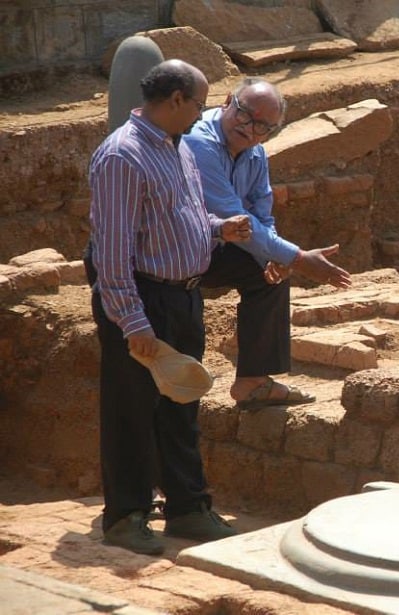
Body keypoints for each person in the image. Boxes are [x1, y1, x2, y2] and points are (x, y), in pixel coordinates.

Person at [88, 60, 251, 555]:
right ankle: (126, 515)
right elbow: (111, 254)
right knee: (131, 410)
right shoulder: (122, 157)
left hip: (183, 294)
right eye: (200, 103)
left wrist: (219, 228)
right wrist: (133, 323)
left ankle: (186, 508)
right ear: (177, 99)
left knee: (181, 404)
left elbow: (182, 215)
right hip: (141, 299)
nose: (203, 114)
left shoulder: (176, 148)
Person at [185, 77, 351, 410]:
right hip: (177, 249)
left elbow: (262, 213)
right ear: (228, 101)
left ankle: (253, 383)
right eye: (245, 115)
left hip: (221, 243)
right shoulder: (199, 143)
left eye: (262, 126)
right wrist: (300, 258)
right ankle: (184, 382)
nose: (249, 129)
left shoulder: (255, 154)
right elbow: (232, 215)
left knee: (269, 274)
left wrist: (275, 258)